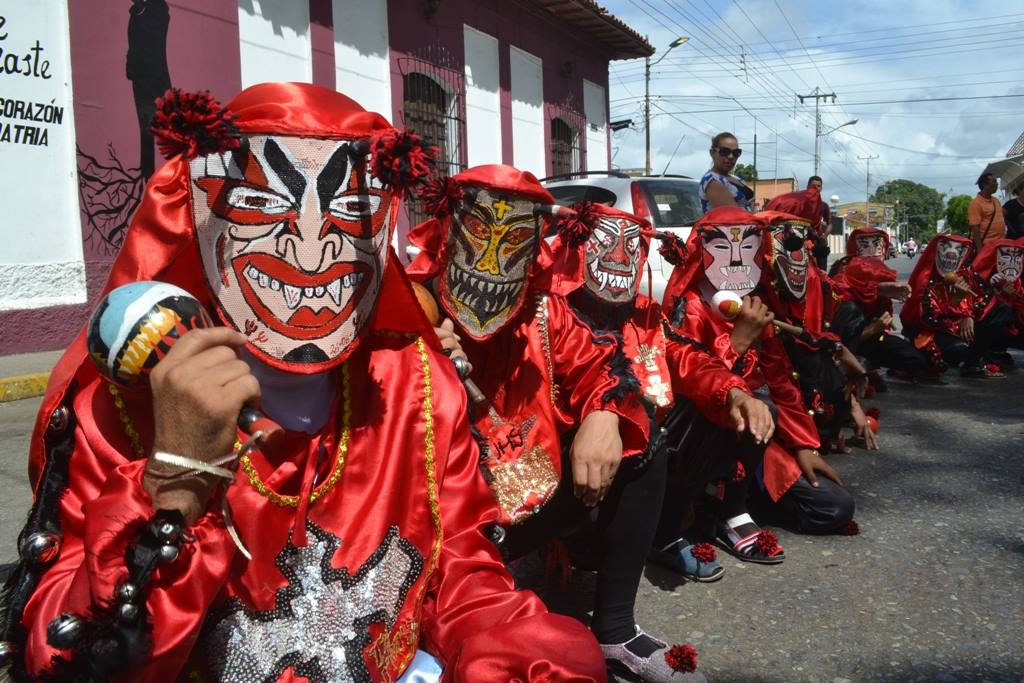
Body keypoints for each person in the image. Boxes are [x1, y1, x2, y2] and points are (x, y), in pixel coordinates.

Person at [4, 84, 608, 682]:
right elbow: (65, 658)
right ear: (195, 213)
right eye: (264, 207)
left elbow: (461, 575)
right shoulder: (129, 403)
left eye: (349, 211)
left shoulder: (416, 385)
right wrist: (175, 480)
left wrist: (520, 654)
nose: (315, 251)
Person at [405, 167, 712, 681]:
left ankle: (615, 629)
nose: (491, 261)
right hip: (445, 531)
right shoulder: (406, 313)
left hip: (532, 496)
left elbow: (604, 368)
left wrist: (603, 413)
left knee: (645, 441)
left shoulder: (543, 312)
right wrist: (423, 369)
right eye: (479, 232)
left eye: (515, 239)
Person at [544, 202, 770, 681]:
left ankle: (618, 622)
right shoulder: (546, 313)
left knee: (695, 416)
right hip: (545, 487)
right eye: (608, 245)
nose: (621, 259)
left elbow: (688, 359)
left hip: (625, 484)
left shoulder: (645, 317)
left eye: (633, 247)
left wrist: (733, 391)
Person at [660, 207, 855, 538]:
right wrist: (736, 344)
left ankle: (740, 495)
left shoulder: (754, 301)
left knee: (834, 508)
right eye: (722, 248)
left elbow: (780, 378)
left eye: (747, 248)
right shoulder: (689, 307)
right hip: (702, 436)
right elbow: (692, 376)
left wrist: (804, 445)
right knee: (760, 406)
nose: (736, 259)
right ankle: (727, 509)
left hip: (759, 436)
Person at [758, 193, 877, 454]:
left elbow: (818, 331)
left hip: (810, 351)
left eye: (807, 238)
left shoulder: (814, 274)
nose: (807, 246)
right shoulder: (753, 272)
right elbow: (777, 328)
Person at [828, 228, 929, 383]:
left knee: (916, 360)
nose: (872, 250)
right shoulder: (843, 286)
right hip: (847, 346)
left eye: (877, 244)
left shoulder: (880, 279)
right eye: (865, 244)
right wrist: (873, 328)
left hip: (873, 339)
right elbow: (838, 342)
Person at [899, 234, 1007, 379]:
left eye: (960, 250)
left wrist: (969, 314)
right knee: (955, 352)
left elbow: (986, 299)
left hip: (960, 330)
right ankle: (968, 356)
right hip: (932, 334)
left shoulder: (967, 274)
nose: (952, 254)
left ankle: (972, 362)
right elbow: (928, 320)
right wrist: (956, 300)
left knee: (1002, 311)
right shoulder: (925, 278)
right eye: (946, 248)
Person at [965, 237, 1024, 373]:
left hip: (1010, 328)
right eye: (1007, 257)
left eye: (1017, 258)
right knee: (1002, 311)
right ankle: (982, 357)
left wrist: (1013, 296)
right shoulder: (977, 279)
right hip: (970, 329)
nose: (1012, 263)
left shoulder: (1016, 281)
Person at [699, 132, 754, 214]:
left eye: (736, 153)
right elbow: (734, 216)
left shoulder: (737, 179)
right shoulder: (712, 180)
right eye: (725, 151)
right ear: (712, 153)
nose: (731, 157)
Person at [969, 172, 1006, 251]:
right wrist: (980, 250)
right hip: (986, 247)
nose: (997, 184)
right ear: (985, 185)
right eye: (994, 182)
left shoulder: (996, 200)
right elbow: (975, 228)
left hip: (1000, 245)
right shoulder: (976, 203)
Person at [806, 176, 832, 269]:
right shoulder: (801, 203)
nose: (816, 188)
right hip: (804, 244)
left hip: (819, 245)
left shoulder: (824, 206)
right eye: (813, 185)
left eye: (819, 186)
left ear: (821, 188)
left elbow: (829, 223)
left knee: (822, 273)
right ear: (807, 186)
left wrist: (824, 237)